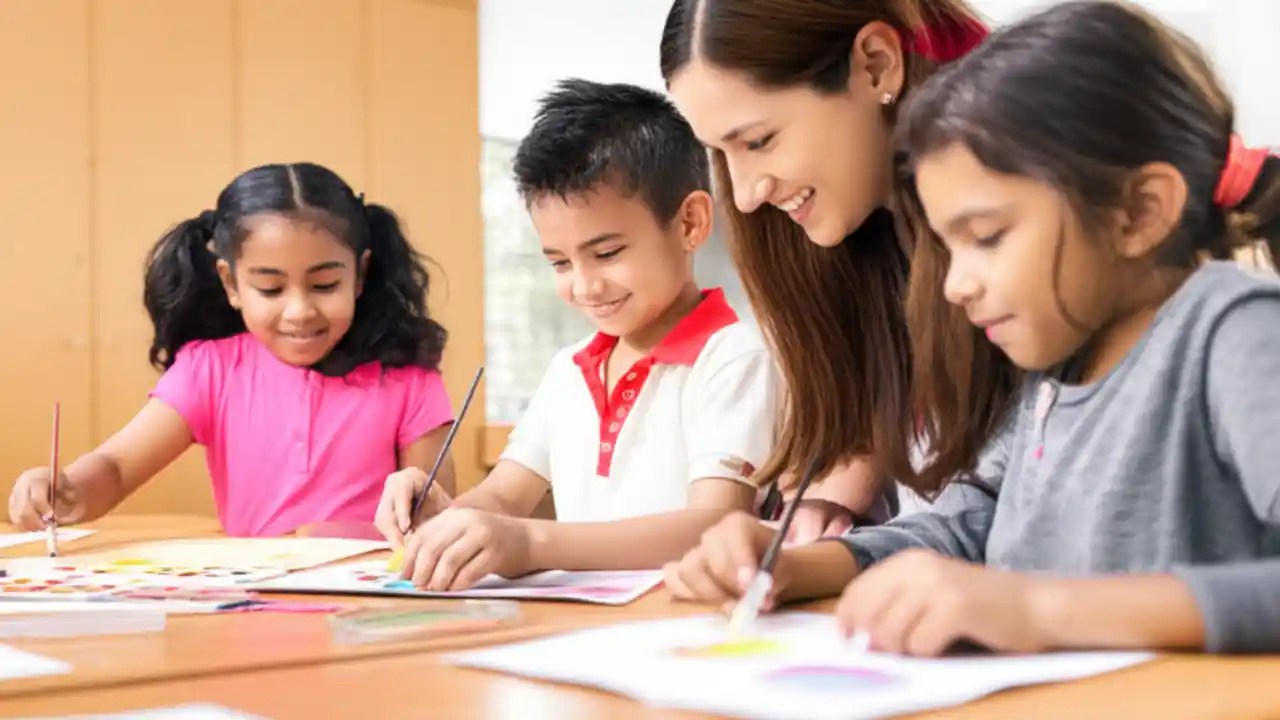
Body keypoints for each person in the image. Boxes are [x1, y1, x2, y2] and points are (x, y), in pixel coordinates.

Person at [664, 0, 1280, 655]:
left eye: (986, 237)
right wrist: (794, 563)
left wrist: (1040, 610)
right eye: (945, 246)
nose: (954, 286)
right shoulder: (1058, 368)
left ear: (1138, 213)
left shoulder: (1233, 334)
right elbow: (964, 525)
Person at [374, 79, 781, 591]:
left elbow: (716, 525)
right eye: (560, 262)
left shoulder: (733, 357)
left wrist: (531, 544)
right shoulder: (569, 370)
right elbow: (502, 499)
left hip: (689, 627)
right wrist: (443, 515)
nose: (584, 285)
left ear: (690, 223)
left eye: (607, 253)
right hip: (583, 631)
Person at [659, 0, 990, 540]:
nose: (745, 197)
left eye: (759, 141)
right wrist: (838, 482)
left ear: (876, 65)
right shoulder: (869, 244)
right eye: (722, 152)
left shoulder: (1025, 250)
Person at [8, 162, 455, 537]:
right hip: (252, 613)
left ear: (359, 275)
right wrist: (65, 489)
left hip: (373, 612)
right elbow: (118, 468)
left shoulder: (408, 377)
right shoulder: (211, 370)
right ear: (231, 284)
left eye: (324, 285)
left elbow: (435, 516)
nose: (299, 311)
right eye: (270, 288)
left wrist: (334, 534)